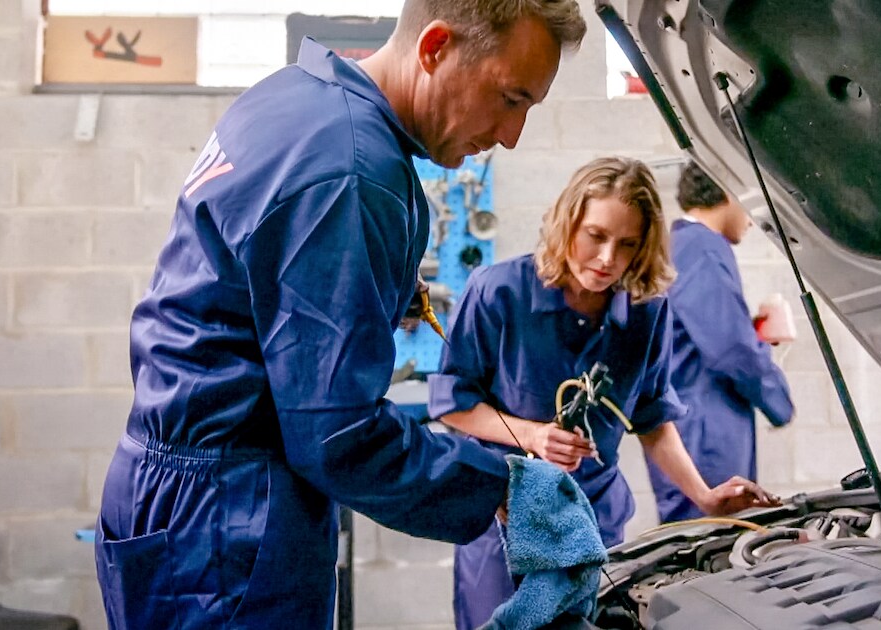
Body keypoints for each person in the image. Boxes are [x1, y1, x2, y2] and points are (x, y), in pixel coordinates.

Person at [94, 2, 587, 628]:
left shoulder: (293, 98)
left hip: (175, 494)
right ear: (434, 47)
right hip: (227, 522)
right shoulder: (353, 169)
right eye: (511, 98)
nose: (512, 135)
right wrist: (500, 488)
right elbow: (337, 436)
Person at [428, 156, 780, 630]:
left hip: (594, 521)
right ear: (568, 221)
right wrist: (532, 436)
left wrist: (705, 496)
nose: (607, 259)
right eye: (595, 236)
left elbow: (653, 420)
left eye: (627, 244)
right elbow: (453, 404)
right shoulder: (498, 292)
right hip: (504, 520)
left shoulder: (647, 313)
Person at [645, 161, 795, 524]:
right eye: (749, 201)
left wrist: (750, 328)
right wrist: (778, 399)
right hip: (705, 429)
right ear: (729, 192)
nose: (752, 218)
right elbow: (730, 349)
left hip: (694, 420)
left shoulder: (684, 245)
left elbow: (708, 332)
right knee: (713, 539)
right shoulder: (701, 247)